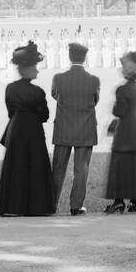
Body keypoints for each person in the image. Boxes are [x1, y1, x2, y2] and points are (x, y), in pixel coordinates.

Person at [0, 42, 56, 216]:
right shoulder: (38, 92)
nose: (37, 70)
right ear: (28, 69)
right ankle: (35, 205)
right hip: (34, 130)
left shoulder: (10, 88)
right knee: (35, 166)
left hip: (15, 128)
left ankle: (13, 206)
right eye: (35, 67)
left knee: (16, 165)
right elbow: (44, 115)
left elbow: (10, 111)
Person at [50, 41, 100, 215]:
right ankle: (76, 206)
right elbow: (95, 100)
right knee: (81, 170)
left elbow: (55, 95)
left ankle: (51, 204)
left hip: (64, 128)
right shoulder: (94, 80)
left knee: (57, 169)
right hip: (85, 129)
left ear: (69, 57)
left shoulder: (58, 78)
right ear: (85, 58)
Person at [104, 51, 136, 213]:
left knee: (121, 164)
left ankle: (118, 200)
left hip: (124, 129)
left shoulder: (121, 89)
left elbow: (118, 111)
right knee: (134, 164)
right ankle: (134, 201)